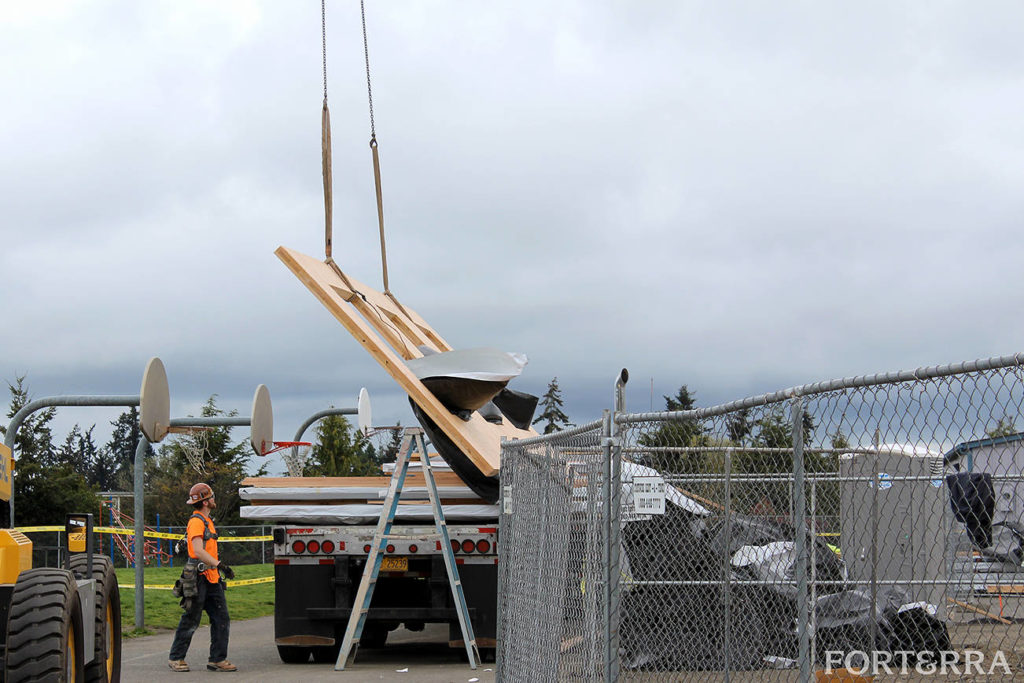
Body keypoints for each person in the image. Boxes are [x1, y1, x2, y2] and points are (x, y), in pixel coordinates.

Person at [168, 482, 237, 672]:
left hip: (212, 578)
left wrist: (217, 569)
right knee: (191, 618)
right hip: (198, 577)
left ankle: (218, 659)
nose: (214, 499)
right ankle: (176, 658)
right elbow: (198, 551)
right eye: (212, 497)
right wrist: (220, 565)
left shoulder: (207, 521)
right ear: (205, 502)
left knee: (221, 618)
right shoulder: (196, 522)